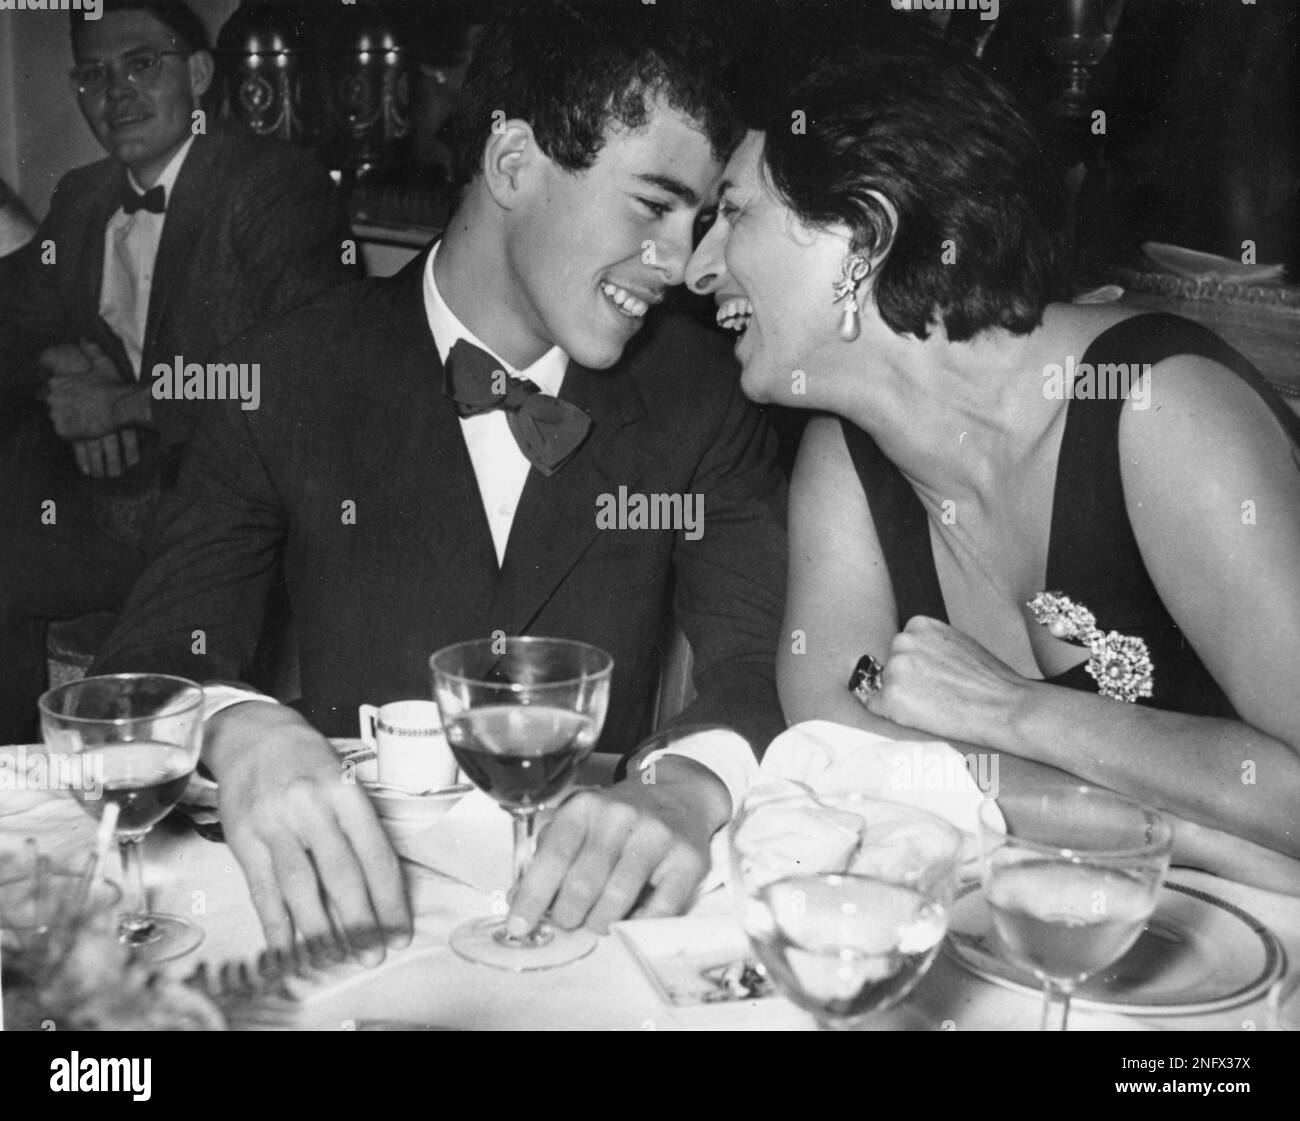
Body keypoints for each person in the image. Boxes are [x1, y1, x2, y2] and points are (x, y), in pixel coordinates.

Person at [94, 0, 787, 957]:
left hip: (582, 937)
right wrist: (242, 727)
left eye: (701, 218)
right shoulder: (280, 376)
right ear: (513, 164)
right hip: (346, 929)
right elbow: (149, 661)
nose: (679, 262)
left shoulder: (705, 398)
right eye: (653, 205)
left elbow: (761, 668)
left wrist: (684, 787)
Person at [685, 35, 1300, 889]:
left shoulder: (1159, 412)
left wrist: (1011, 710)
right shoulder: (847, 455)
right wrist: (1171, 829)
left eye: (734, 212)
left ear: (866, 233)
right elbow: (839, 746)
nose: (694, 266)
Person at [0, 0, 356, 743]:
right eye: (94, 74)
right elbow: (15, 317)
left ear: (197, 74)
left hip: (226, 526)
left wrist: (125, 406)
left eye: (141, 64)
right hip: (104, 507)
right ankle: (20, 790)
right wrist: (61, 364)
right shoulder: (81, 195)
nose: (116, 92)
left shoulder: (276, 190)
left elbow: (292, 380)